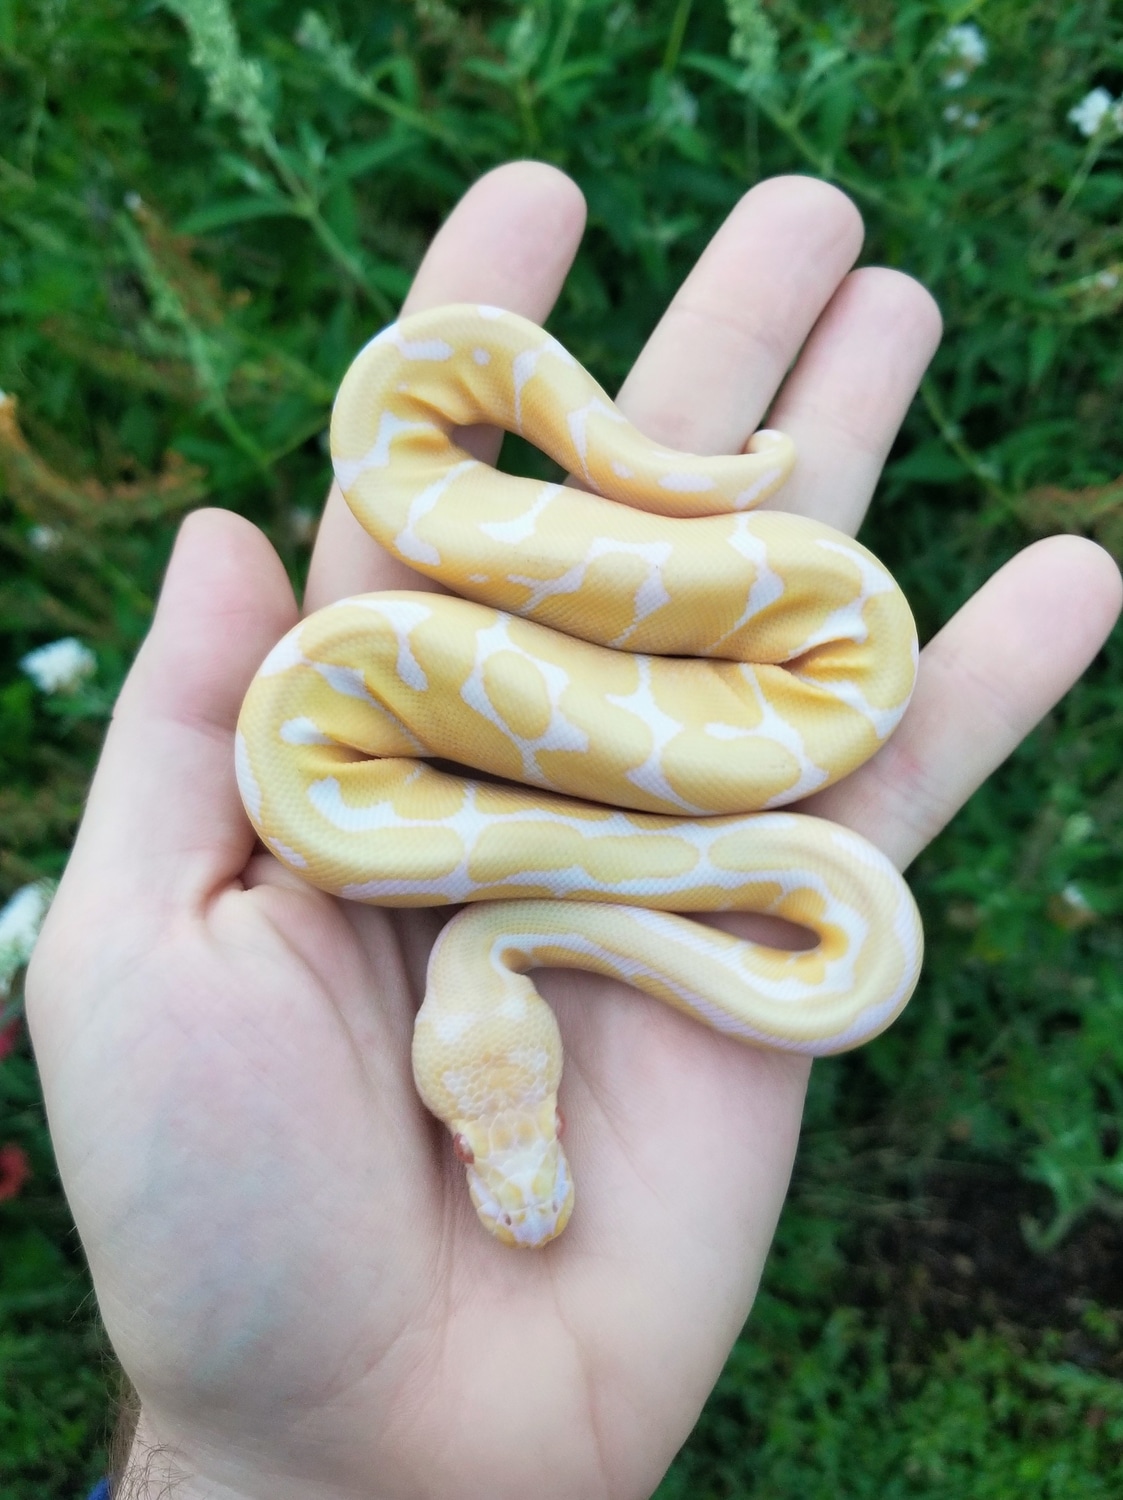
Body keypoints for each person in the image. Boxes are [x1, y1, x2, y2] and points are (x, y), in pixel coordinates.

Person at [28, 163, 1120, 1500]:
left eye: (493, 1132)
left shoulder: (445, 880)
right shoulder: (557, 920)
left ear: (464, 1086)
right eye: (532, 1120)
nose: (519, 1153)